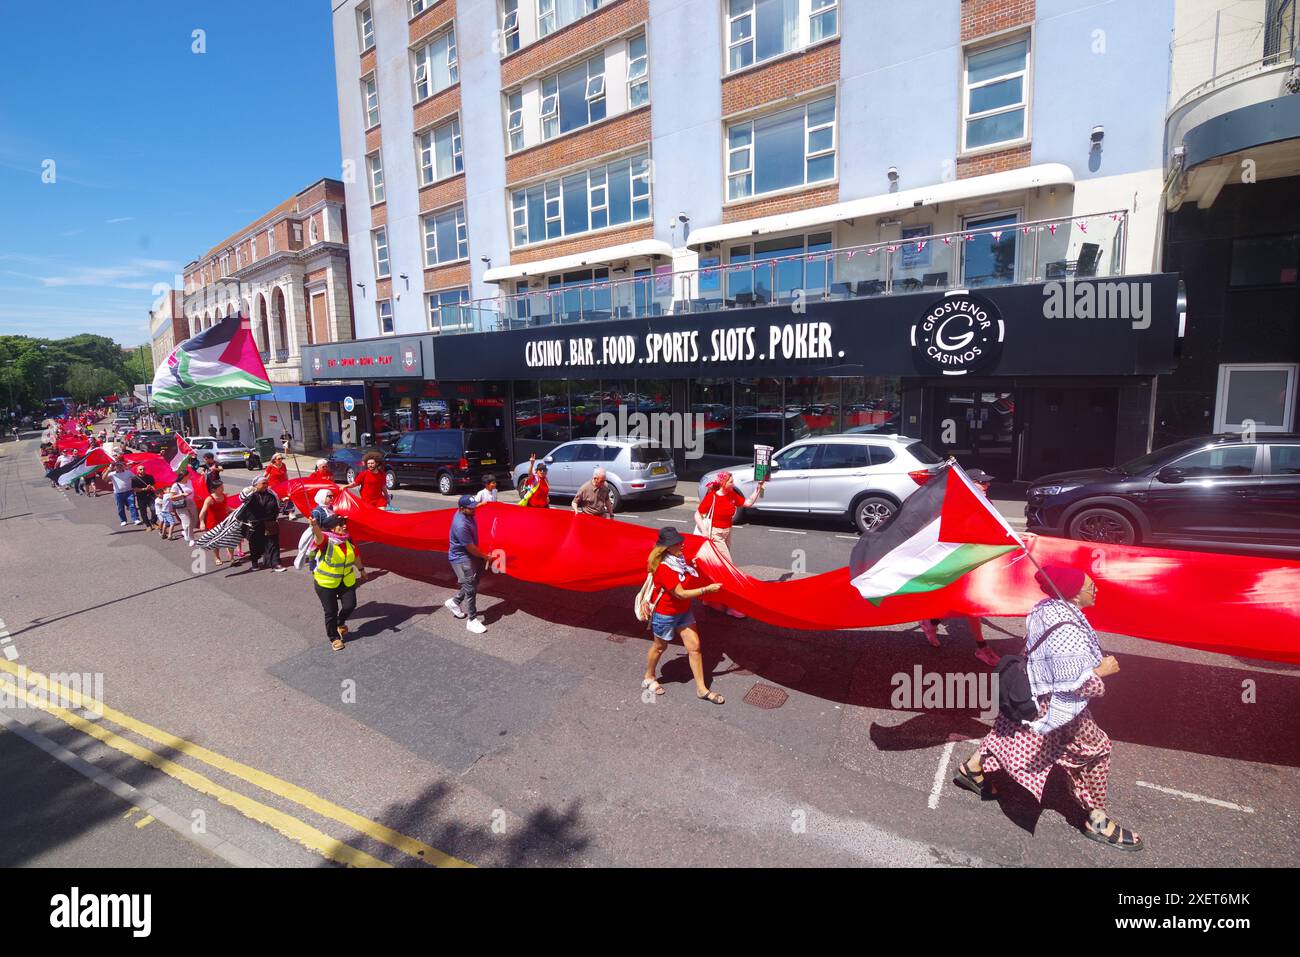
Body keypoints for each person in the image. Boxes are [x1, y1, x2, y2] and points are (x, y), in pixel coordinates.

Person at [953, 566, 1142, 851]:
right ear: (1075, 595)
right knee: (1098, 750)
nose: (1096, 590)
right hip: (1056, 707)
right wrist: (1101, 671)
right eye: (1091, 586)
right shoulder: (1069, 631)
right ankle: (1097, 821)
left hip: (1030, 688)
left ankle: (972, 768)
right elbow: (1073, 685)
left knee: (1010, 728)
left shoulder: (1046, 607)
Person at [919, 468, 1002, 666]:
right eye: (981, 482)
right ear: (968, 483)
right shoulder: (955, 504)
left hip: (976, 560)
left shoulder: (986, 502)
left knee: (967, 603)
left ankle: (930, 623)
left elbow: (996, 527)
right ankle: (982, 648)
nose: (986, 485)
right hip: (958, 561)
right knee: (970, 604)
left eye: (987, 482)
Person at [641, 526, 725, 704]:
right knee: (660, 647)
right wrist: (706, 590)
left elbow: (686, 581)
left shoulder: (679, 561)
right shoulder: (664, 568)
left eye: (681, 542)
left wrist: (693, 566)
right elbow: (680, 593)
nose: (682, 545)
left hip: (683, 612)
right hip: (665, 615)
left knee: (694, 647)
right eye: (677, 543)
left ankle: (702, 689)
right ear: (667, 548)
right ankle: (649, 676)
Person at [695, 470, 766, 618]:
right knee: (728, 569)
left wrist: (758, 489)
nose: (733, 484)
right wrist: (704, 532)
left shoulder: (732, 494)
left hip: (727, 533)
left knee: (716, 568)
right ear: (723, 483)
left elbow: (747, 503)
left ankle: (708, 598)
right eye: (731, 482)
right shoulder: (712, 497)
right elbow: (697, 515)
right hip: (715, 535)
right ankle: (731, 606)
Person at [310, 512, 365, 651]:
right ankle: (334, 637)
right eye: (340, 524)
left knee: (350, 605)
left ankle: (340, 623)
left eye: (344, 523)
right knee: (331, 611)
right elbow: (318, 536)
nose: (344, 526)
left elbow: (355, 555)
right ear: (332, 529)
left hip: (346, 580)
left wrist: (361, 570)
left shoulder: (348, 539)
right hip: (326, 583)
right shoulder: (326, 541)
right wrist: (315, 526)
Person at [444, 495, 488, 634]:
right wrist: (486, 556)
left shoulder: (466, 511)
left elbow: (474, 507)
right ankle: (472, 620)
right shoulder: (461, 525)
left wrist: (483, 504)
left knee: (473, 582)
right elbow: (471, 548)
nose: (474, 509)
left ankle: (454, 602)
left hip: (469, 555)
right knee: (470, 588)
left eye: (474, 506)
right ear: (462, 509)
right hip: (460, 558)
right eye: (471, 508)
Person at [242, 475, 284, 571]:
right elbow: (242, 497)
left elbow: (278, 504)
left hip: (270, 522)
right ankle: (255, 562)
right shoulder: (250, 493)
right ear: (256, 485)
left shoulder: (271, 493)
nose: (266, 485)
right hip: (254, 523)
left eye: (267, 483)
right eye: (263, 483)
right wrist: (251, 489)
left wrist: (278, 512)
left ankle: (276, 563)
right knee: (255, 544)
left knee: (273, 543)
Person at [199, 474, 235, 565]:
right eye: (220, 487)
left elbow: (226, 508)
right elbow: (203, 512)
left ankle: (231, 558)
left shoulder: (224, 496)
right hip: (214, 523)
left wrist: (236, 510)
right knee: (216, 541)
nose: (222, 488)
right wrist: (202, 522)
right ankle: (217, 557)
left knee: (230, 539)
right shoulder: (209, 499)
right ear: (214, 489)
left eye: (222, 486)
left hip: (225, 521)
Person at [106, 458, 141, 527]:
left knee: (132, 506)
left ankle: (136, 519)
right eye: (117, 466)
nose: (119, 467)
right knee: (120, 507)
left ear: (122, 466)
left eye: (120, 465)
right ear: (115, 467)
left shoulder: (128, 472)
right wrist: (108, 470)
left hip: (129, 492)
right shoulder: (112, 474)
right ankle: (123, 520)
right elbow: (104, 478)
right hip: (118, 493)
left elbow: (136, 478)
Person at [168, 469, 198, 545]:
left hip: (191, 502)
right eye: (189, 475)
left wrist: (196, 496)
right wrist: (181, 495)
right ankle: (191, 539)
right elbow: (172, 497)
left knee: (195, 519)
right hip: (181, 504)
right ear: (184, 476)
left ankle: (185, 532)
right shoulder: (176, 485)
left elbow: (192, 491)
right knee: (187, 522)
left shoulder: (189, 482)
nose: (190, 476)